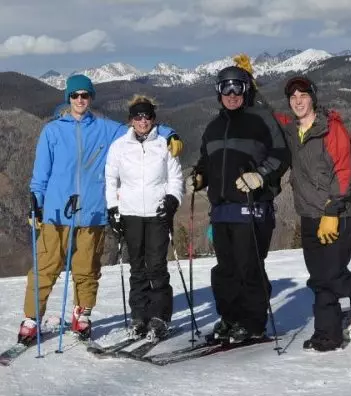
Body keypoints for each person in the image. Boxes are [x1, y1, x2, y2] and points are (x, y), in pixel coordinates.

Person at [19, 75, 183, 344]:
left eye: (85, 95)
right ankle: (32, 317)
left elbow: (140, 129)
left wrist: (169, 134)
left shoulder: (106, 129)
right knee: (46, 266)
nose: (80, 100)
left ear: (91, 98)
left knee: (86, 267)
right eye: (75, 96)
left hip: (92, 211)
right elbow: (41, 173)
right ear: (68, 99)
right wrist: (35, 201)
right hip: (56, 210)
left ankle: (82, 313)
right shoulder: (53, 130)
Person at [275, 75, 351, 351]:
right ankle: (327, 335)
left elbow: (343, 172)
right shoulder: (292, 131)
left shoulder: (331, 129)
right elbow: (269, 115)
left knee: (334, 276)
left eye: (303, 95)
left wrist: (333, 209)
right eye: (293, 98)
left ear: (313, 97)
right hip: (309, 217)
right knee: (320, 279)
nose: (298, 101)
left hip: (335, 216)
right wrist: (250, 85)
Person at [192, 58, 289, 343]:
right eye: (226, 88)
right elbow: (206, 162)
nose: (232, 95)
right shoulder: (212, 127)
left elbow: (282, 155)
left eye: (238, 88)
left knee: (250, 268)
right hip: (221, 210)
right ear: (219, 92)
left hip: (253, 207)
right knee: (225, 271)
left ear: (246, 90)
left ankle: (253, 322)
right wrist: (199, 176)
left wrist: (260, 176)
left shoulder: (261, 119)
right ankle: (231, 318)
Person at [105, 95, 184, 340]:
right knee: (137, 268)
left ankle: (160, 317)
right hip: (130, 214)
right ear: (131, 120)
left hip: (157, 213)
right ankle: (139, 316)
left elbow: (176, 177)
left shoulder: (164, 144)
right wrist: (113, 209)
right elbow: (110, 180)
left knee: (157, 268)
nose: (143, 121)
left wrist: (172, 199)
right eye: (138, 116)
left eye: (147, 116)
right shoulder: (119, 146)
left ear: (153, 118)